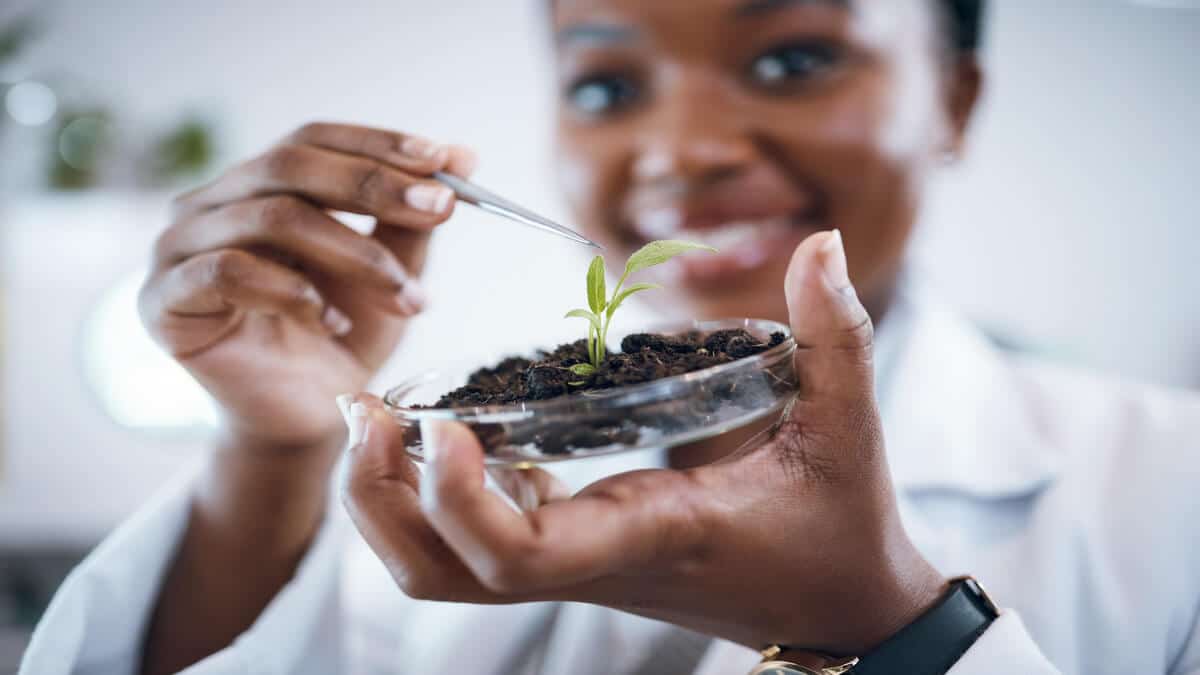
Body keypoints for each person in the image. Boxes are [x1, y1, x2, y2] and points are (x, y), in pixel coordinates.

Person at [21, 0, 1200, 673]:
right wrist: (271, 446)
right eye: (605, 86)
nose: (680, 149)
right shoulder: (458, 470)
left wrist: (889, 632)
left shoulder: (1167, 488)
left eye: (793, 57)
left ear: (953, 100)